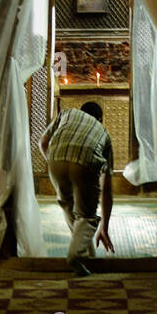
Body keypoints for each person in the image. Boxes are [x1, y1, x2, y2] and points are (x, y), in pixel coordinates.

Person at [39, 100, 115, 276]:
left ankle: (87, 260)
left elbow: (43, 143)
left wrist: (53, 163)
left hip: (55, 157)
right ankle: (76, 256)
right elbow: (107, 189)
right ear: (100, 119)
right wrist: (104, 226)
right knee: (86, 216)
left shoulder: (67, 113)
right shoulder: (103, 133)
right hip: (85, 162)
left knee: (70, 210)